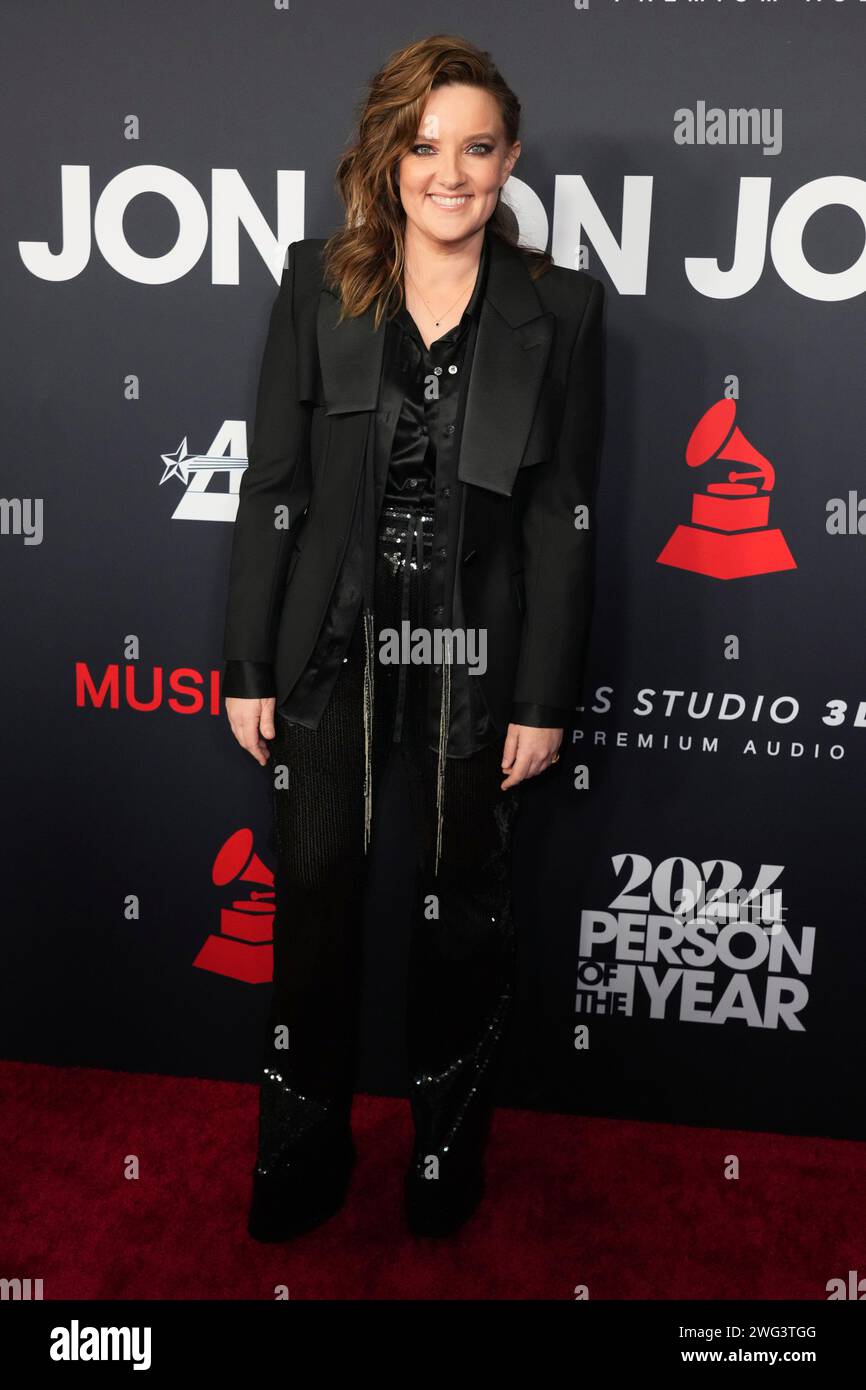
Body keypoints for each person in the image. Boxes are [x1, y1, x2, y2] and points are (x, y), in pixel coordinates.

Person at [222, 33, 605, 1241]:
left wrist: (543, 696)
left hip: (470, 659)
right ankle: (302, 1148)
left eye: (476, 147)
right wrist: (247, 665)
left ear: (510, 158)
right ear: (388, 159)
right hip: (329, 648)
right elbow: (271, 485)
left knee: (461, 911)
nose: (451, 174)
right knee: (316, 901)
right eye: (424, 146)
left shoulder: (565, 309)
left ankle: (444, 1157)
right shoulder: (316, 281)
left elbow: (559, 519)